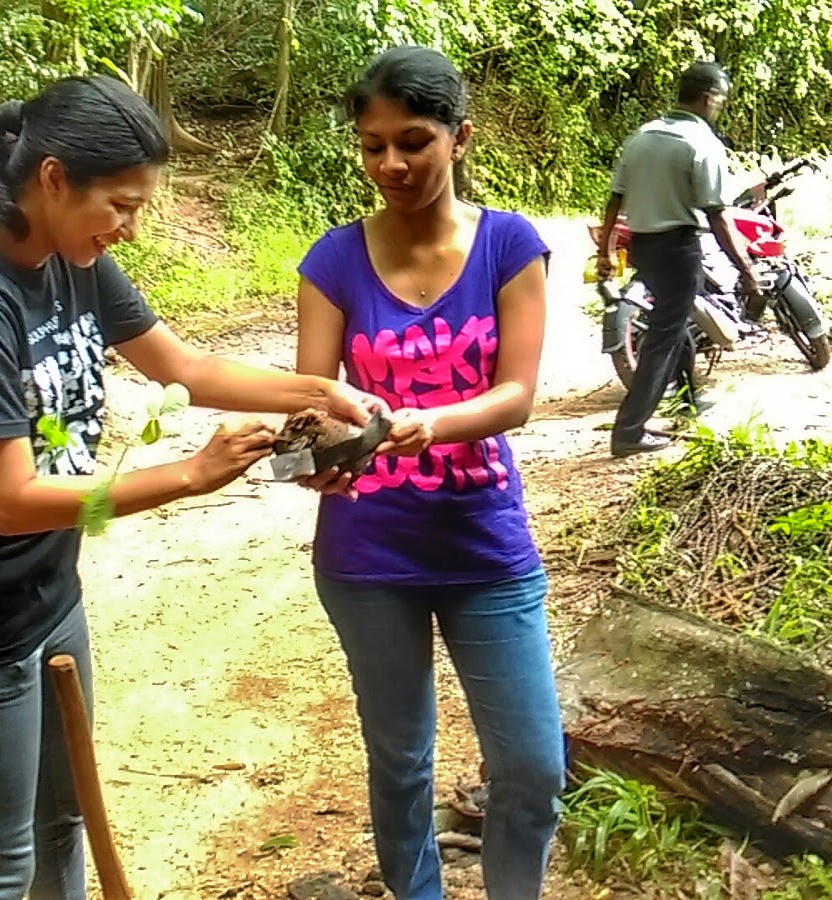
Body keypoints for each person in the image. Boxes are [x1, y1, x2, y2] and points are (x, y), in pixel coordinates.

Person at [0, 74, 381, 900]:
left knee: (63, 825)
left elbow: (183, 366)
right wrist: (187, 477)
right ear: (54, 178)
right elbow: (9, 503)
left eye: (139, 208)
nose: (129, 227)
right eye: (120, 205)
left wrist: (319, 392)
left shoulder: (72, 262)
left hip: (50, 596)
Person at [294, 46, 566, 900]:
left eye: (413, 141)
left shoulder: (509, 245)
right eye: (372, 146)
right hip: (368, 555)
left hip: (485, 543)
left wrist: (431, 424)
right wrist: (313, 454)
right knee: (401, 760)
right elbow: (313, 400)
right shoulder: (332, 261)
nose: (392, 164)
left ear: (460, 138)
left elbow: (517, 395)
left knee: (533, 768)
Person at [596, 60, 760, 458]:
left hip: (644, 246)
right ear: (708, 98)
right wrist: (747, 269)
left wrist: (605, 250)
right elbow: (717, 214)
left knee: (673, 318)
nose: (718, 106)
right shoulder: (702, 143)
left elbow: (615, 198)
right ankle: (629, 431)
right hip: (679, 248)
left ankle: (688, 396)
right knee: (663, 337)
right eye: (719, 100)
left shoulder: (642, 136)